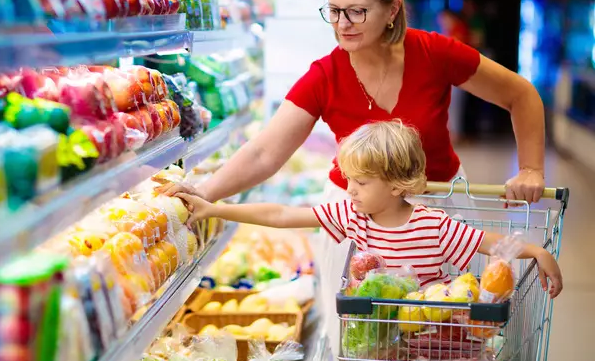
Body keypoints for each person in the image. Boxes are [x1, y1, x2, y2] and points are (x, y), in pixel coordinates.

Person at [157, 0, 548, 361]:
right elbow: (264, 152)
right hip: (358, 220)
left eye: (357, 12)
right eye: (335, 11)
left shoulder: (435, 53)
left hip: (439, 212)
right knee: (367, 349)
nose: (342, 24)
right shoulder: (325, 74)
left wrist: (530, 167)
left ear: (392, 9)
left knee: (446, 337)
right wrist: (201, 192)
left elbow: (519, 94)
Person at [175, 121, 563, 297]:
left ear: (397, 186)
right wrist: (214, 209)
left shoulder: (434, 225)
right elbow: (281, 215)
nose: (350, 189)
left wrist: (537, 251)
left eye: (361, 183)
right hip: (372, 346)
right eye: (349, 180)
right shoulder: (351, 215)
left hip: (427, 341)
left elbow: (488, 242)